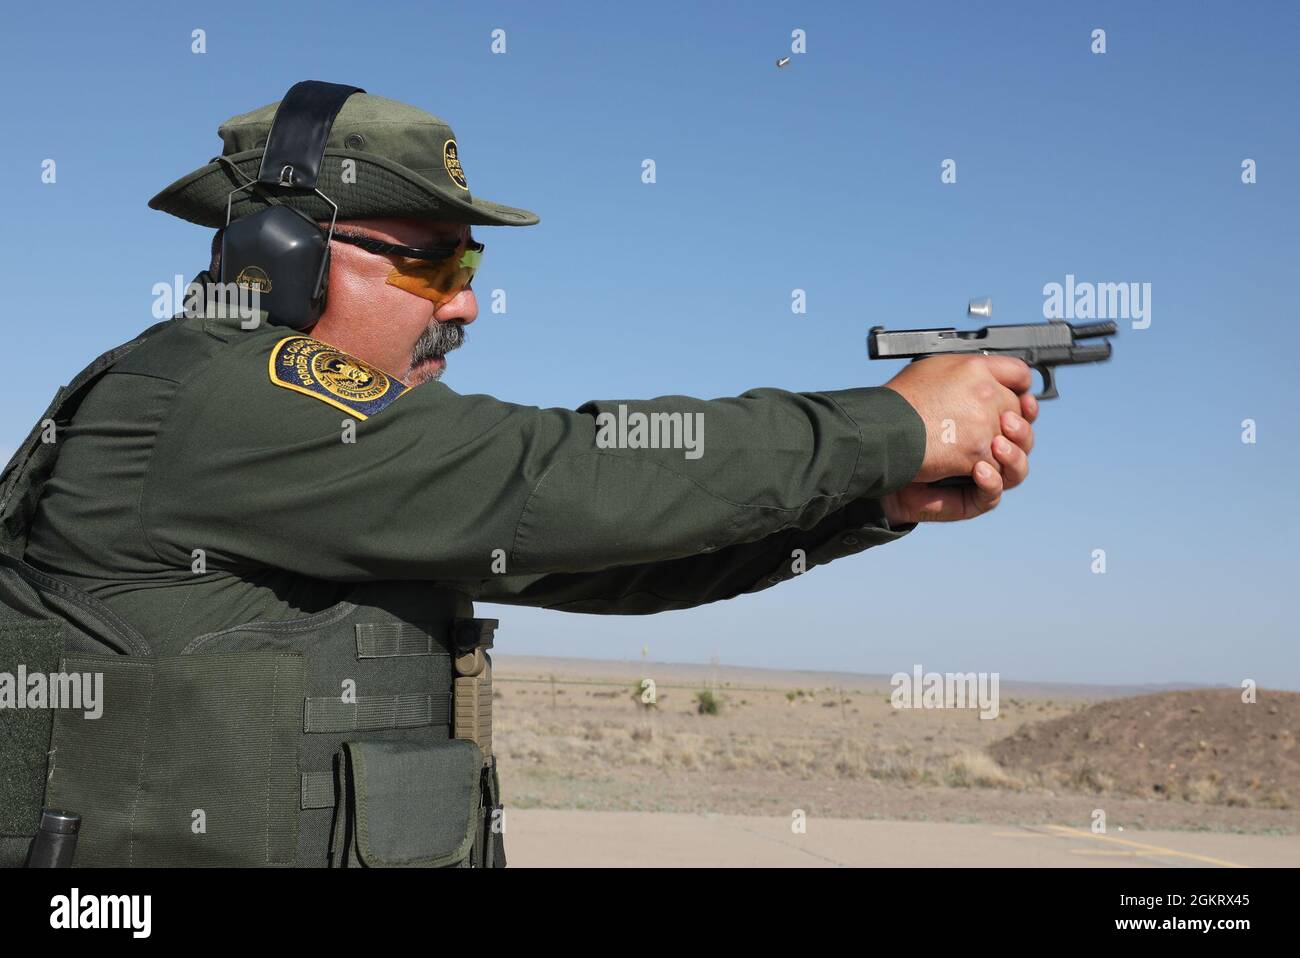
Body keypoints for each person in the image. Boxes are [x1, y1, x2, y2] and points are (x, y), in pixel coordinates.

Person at [0, 88, 1035, 868]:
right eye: (433, 265)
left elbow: (597, 557)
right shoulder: (219, 396)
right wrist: (892, 423)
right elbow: (562, 475)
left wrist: (872, 500)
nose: (465, 306)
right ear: (280, 257)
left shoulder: (302, 457)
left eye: (471, 270)